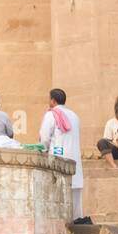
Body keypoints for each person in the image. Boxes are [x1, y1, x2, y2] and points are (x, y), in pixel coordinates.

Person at [39, 88, 84, 221]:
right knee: (74, 193)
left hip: (59, 154)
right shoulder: (74, 115)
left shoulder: (51, 114)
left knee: (57, 190)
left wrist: (43, 150)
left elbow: (45, 138)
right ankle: (76, 220)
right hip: (74, 157)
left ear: (52, 100)